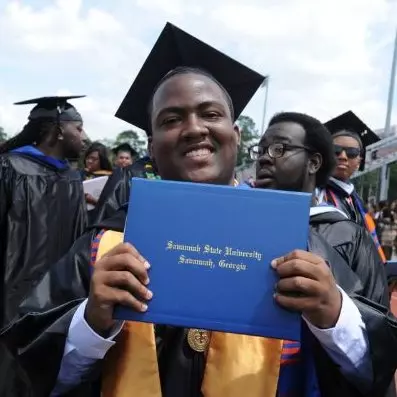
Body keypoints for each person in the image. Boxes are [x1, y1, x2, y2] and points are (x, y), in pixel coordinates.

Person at [1, 23, 395, 397]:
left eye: (210, 114)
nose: (193, 129)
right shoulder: (105, 243)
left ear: (236, 136)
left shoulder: (303, 243)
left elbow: (374, 371)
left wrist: (334, 315)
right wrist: (91, 321)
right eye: (172, 119)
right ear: (152, 147)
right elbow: (31, 371)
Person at [252, 111, 397, 395]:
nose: (265, 157)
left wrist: (332, 311)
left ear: (314, 162)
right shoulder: (237, 227)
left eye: (279, 148)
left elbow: (376, 358)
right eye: (260, 150)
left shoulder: (350, 237)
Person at [0, 95, 88, 328]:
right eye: (78, 129)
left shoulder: (71, 177)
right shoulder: (10, 168)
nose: (84, 137)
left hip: (62, 297)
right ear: (59, 130)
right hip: (13, 299)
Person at [319, 111, 386, 262]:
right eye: (336, 150)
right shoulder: (314, 193)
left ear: (359, 160)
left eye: (352, 153)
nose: (343, 156)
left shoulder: (356, 201)